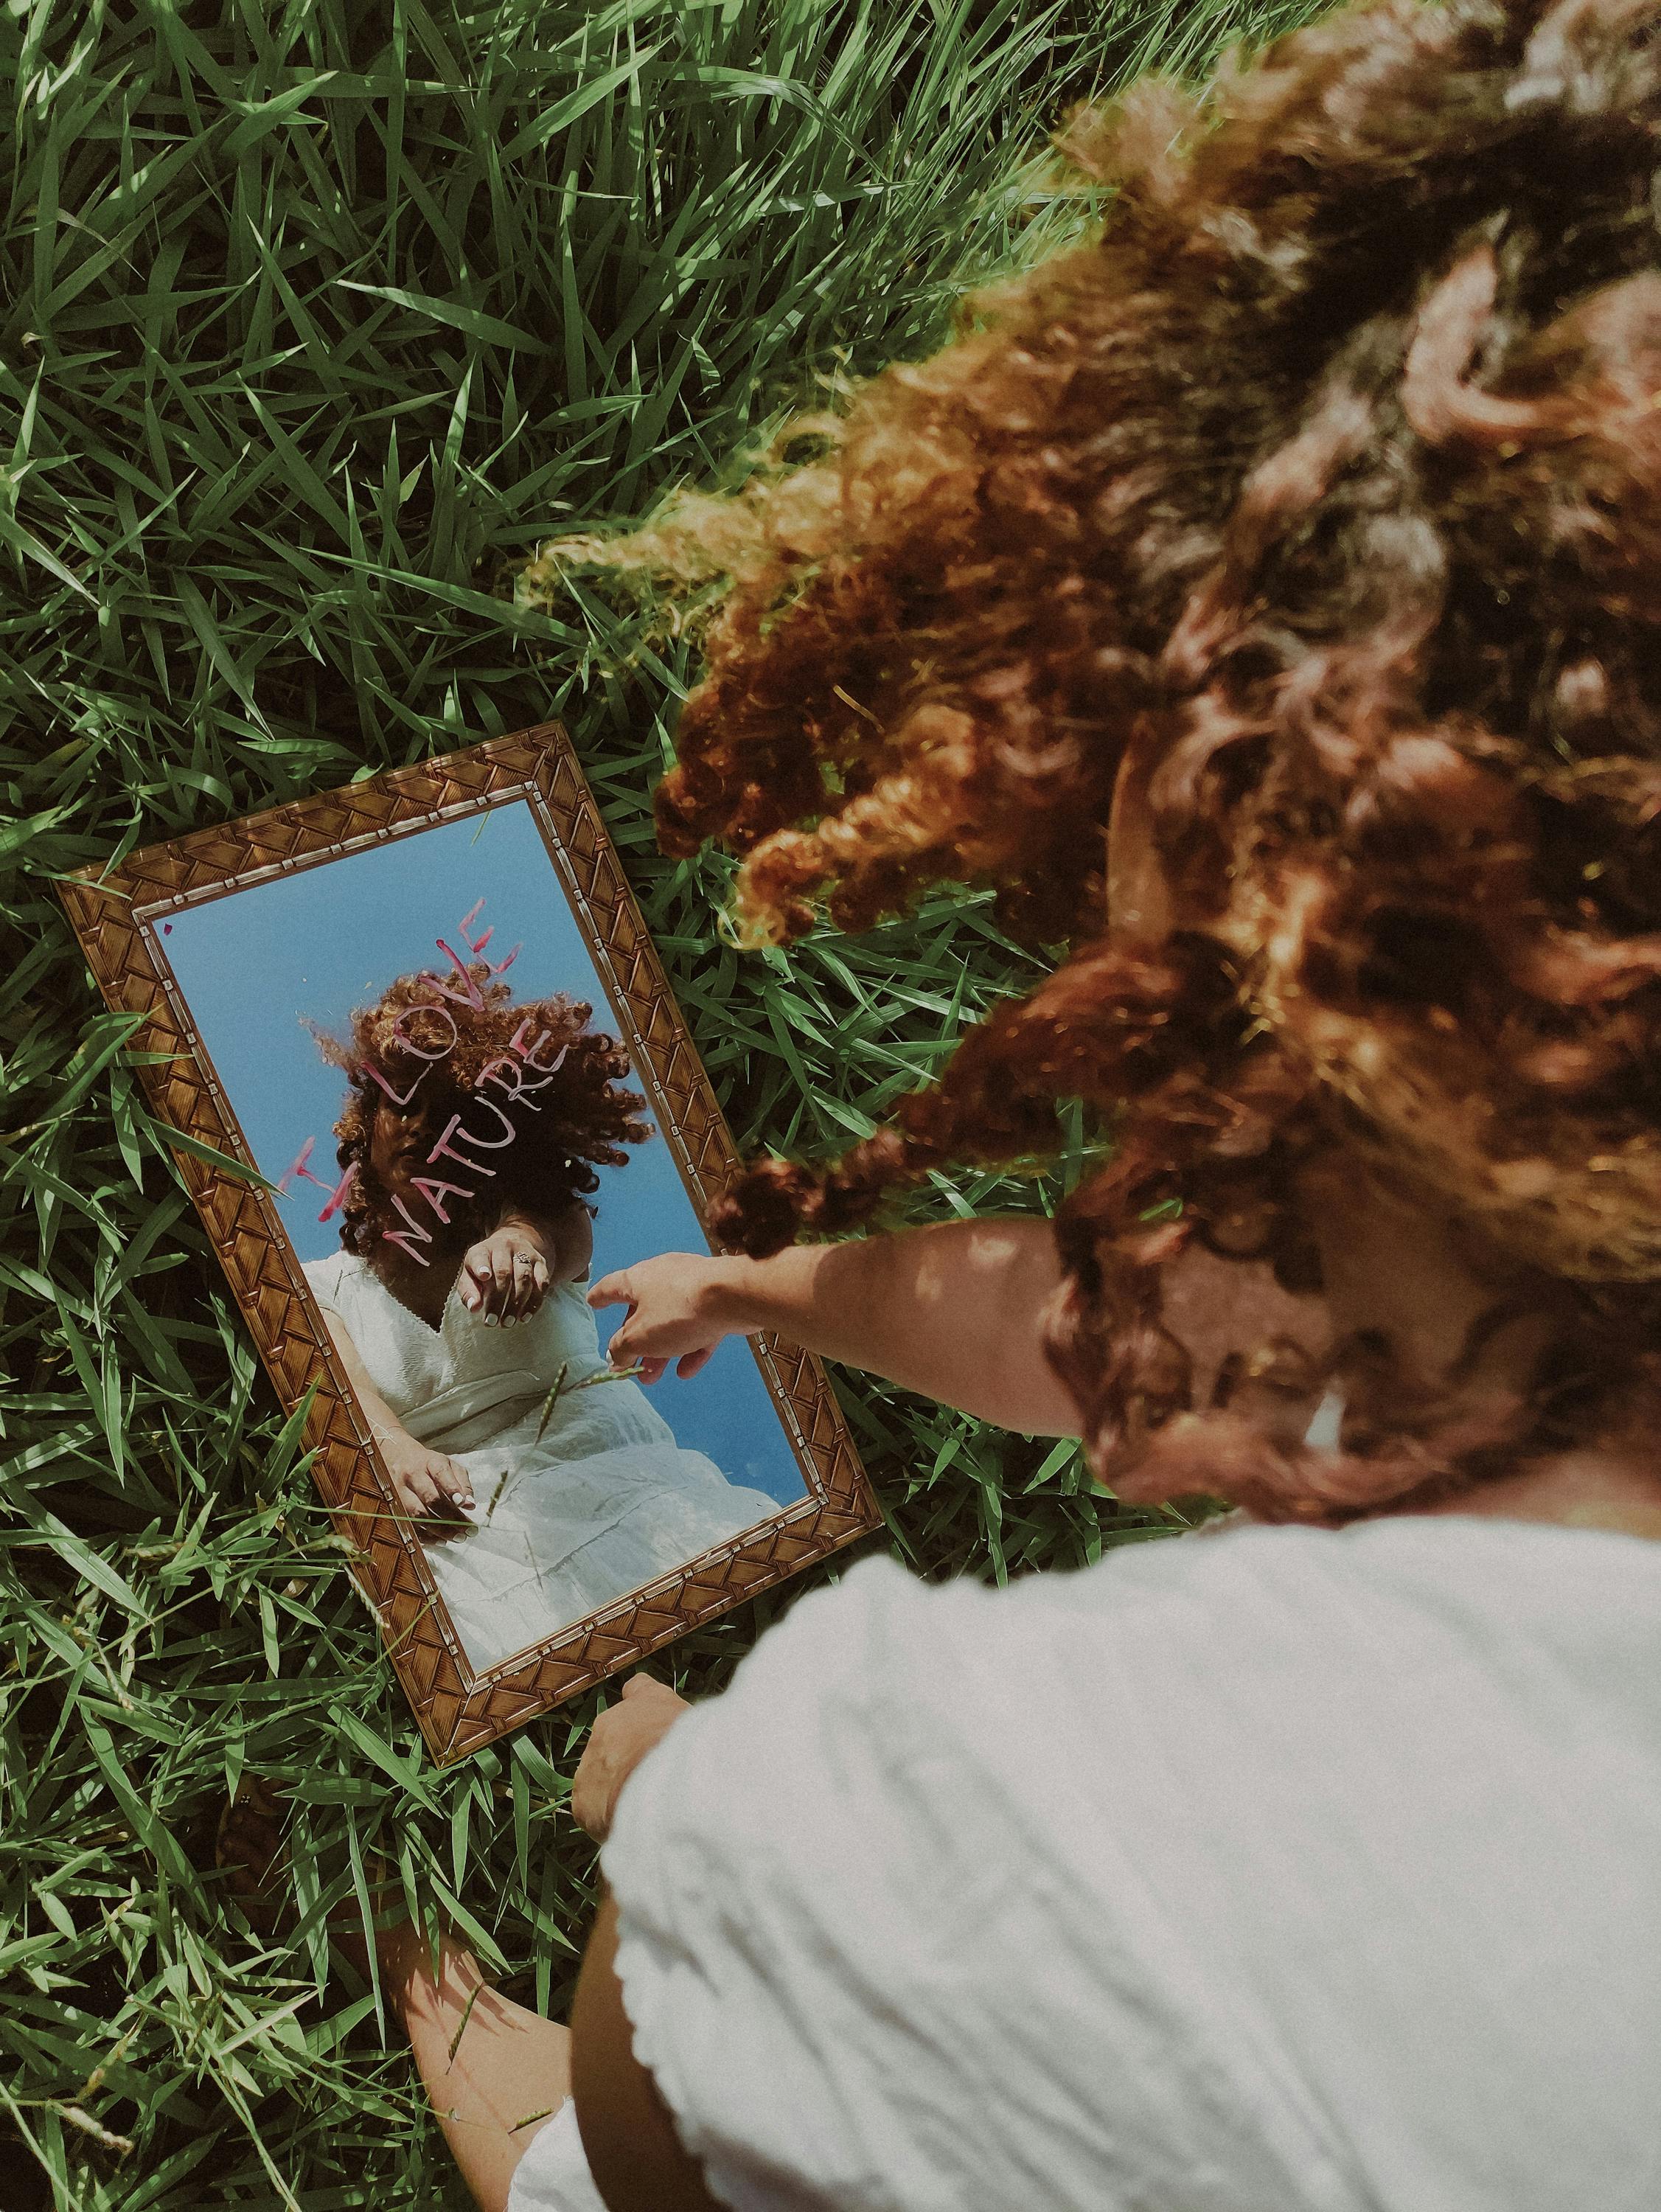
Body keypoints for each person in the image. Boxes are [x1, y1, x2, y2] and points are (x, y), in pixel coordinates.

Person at [246, 0, 1661, 2205]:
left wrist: (685, 1819)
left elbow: (671, 2120)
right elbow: (1105, 1318)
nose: (1119, 1172)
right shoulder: (1513, 1347)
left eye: (1175, 1061)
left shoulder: (1031, 1841)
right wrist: (788, 1289)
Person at [299, 970, 777, 1671]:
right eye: (401, 1102)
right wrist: (392, 1451)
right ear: (363, 1125)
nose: (422, 1124)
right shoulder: (316, 1287)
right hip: (456, 1540)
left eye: (452, 1110)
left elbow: (541, 1233)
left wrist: (517, 1246)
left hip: (633, 1491)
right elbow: (338, 1387)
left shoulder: (544, 1214)